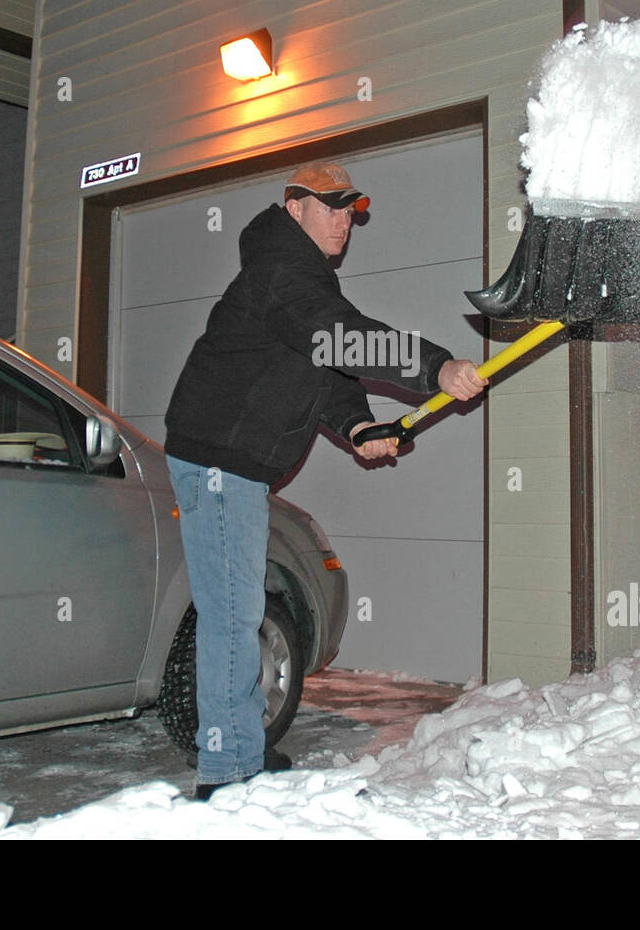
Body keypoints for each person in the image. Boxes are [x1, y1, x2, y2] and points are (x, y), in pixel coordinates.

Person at [163, 160, 486, 799]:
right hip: (219, 461)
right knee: (233, 615)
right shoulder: (281, 273)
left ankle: (240, 751)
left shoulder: (301, 276)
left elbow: (325, 367)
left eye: (351, 210)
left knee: (238, 608)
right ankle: (226, 772)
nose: (343, 220)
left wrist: (361, 428)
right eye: (330, 205)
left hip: (235, 464)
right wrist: (436, 367)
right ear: (294, 208)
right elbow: (340, 340)